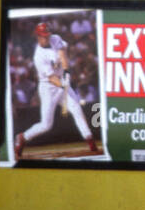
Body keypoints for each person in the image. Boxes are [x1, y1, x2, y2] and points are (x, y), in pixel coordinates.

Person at [13, 22, 100, 159]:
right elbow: (52, 78)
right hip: (48, 87)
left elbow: (62, 54)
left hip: (62, 81)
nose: (46, 38)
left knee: (77, 109)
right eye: (43, 36)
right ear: (38, 37)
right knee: (46, 125)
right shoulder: (38, 56)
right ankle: (23, 137)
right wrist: (63, 84)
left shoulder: (55, 38)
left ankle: (90, 141)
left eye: (47, 35)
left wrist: (66, 71)